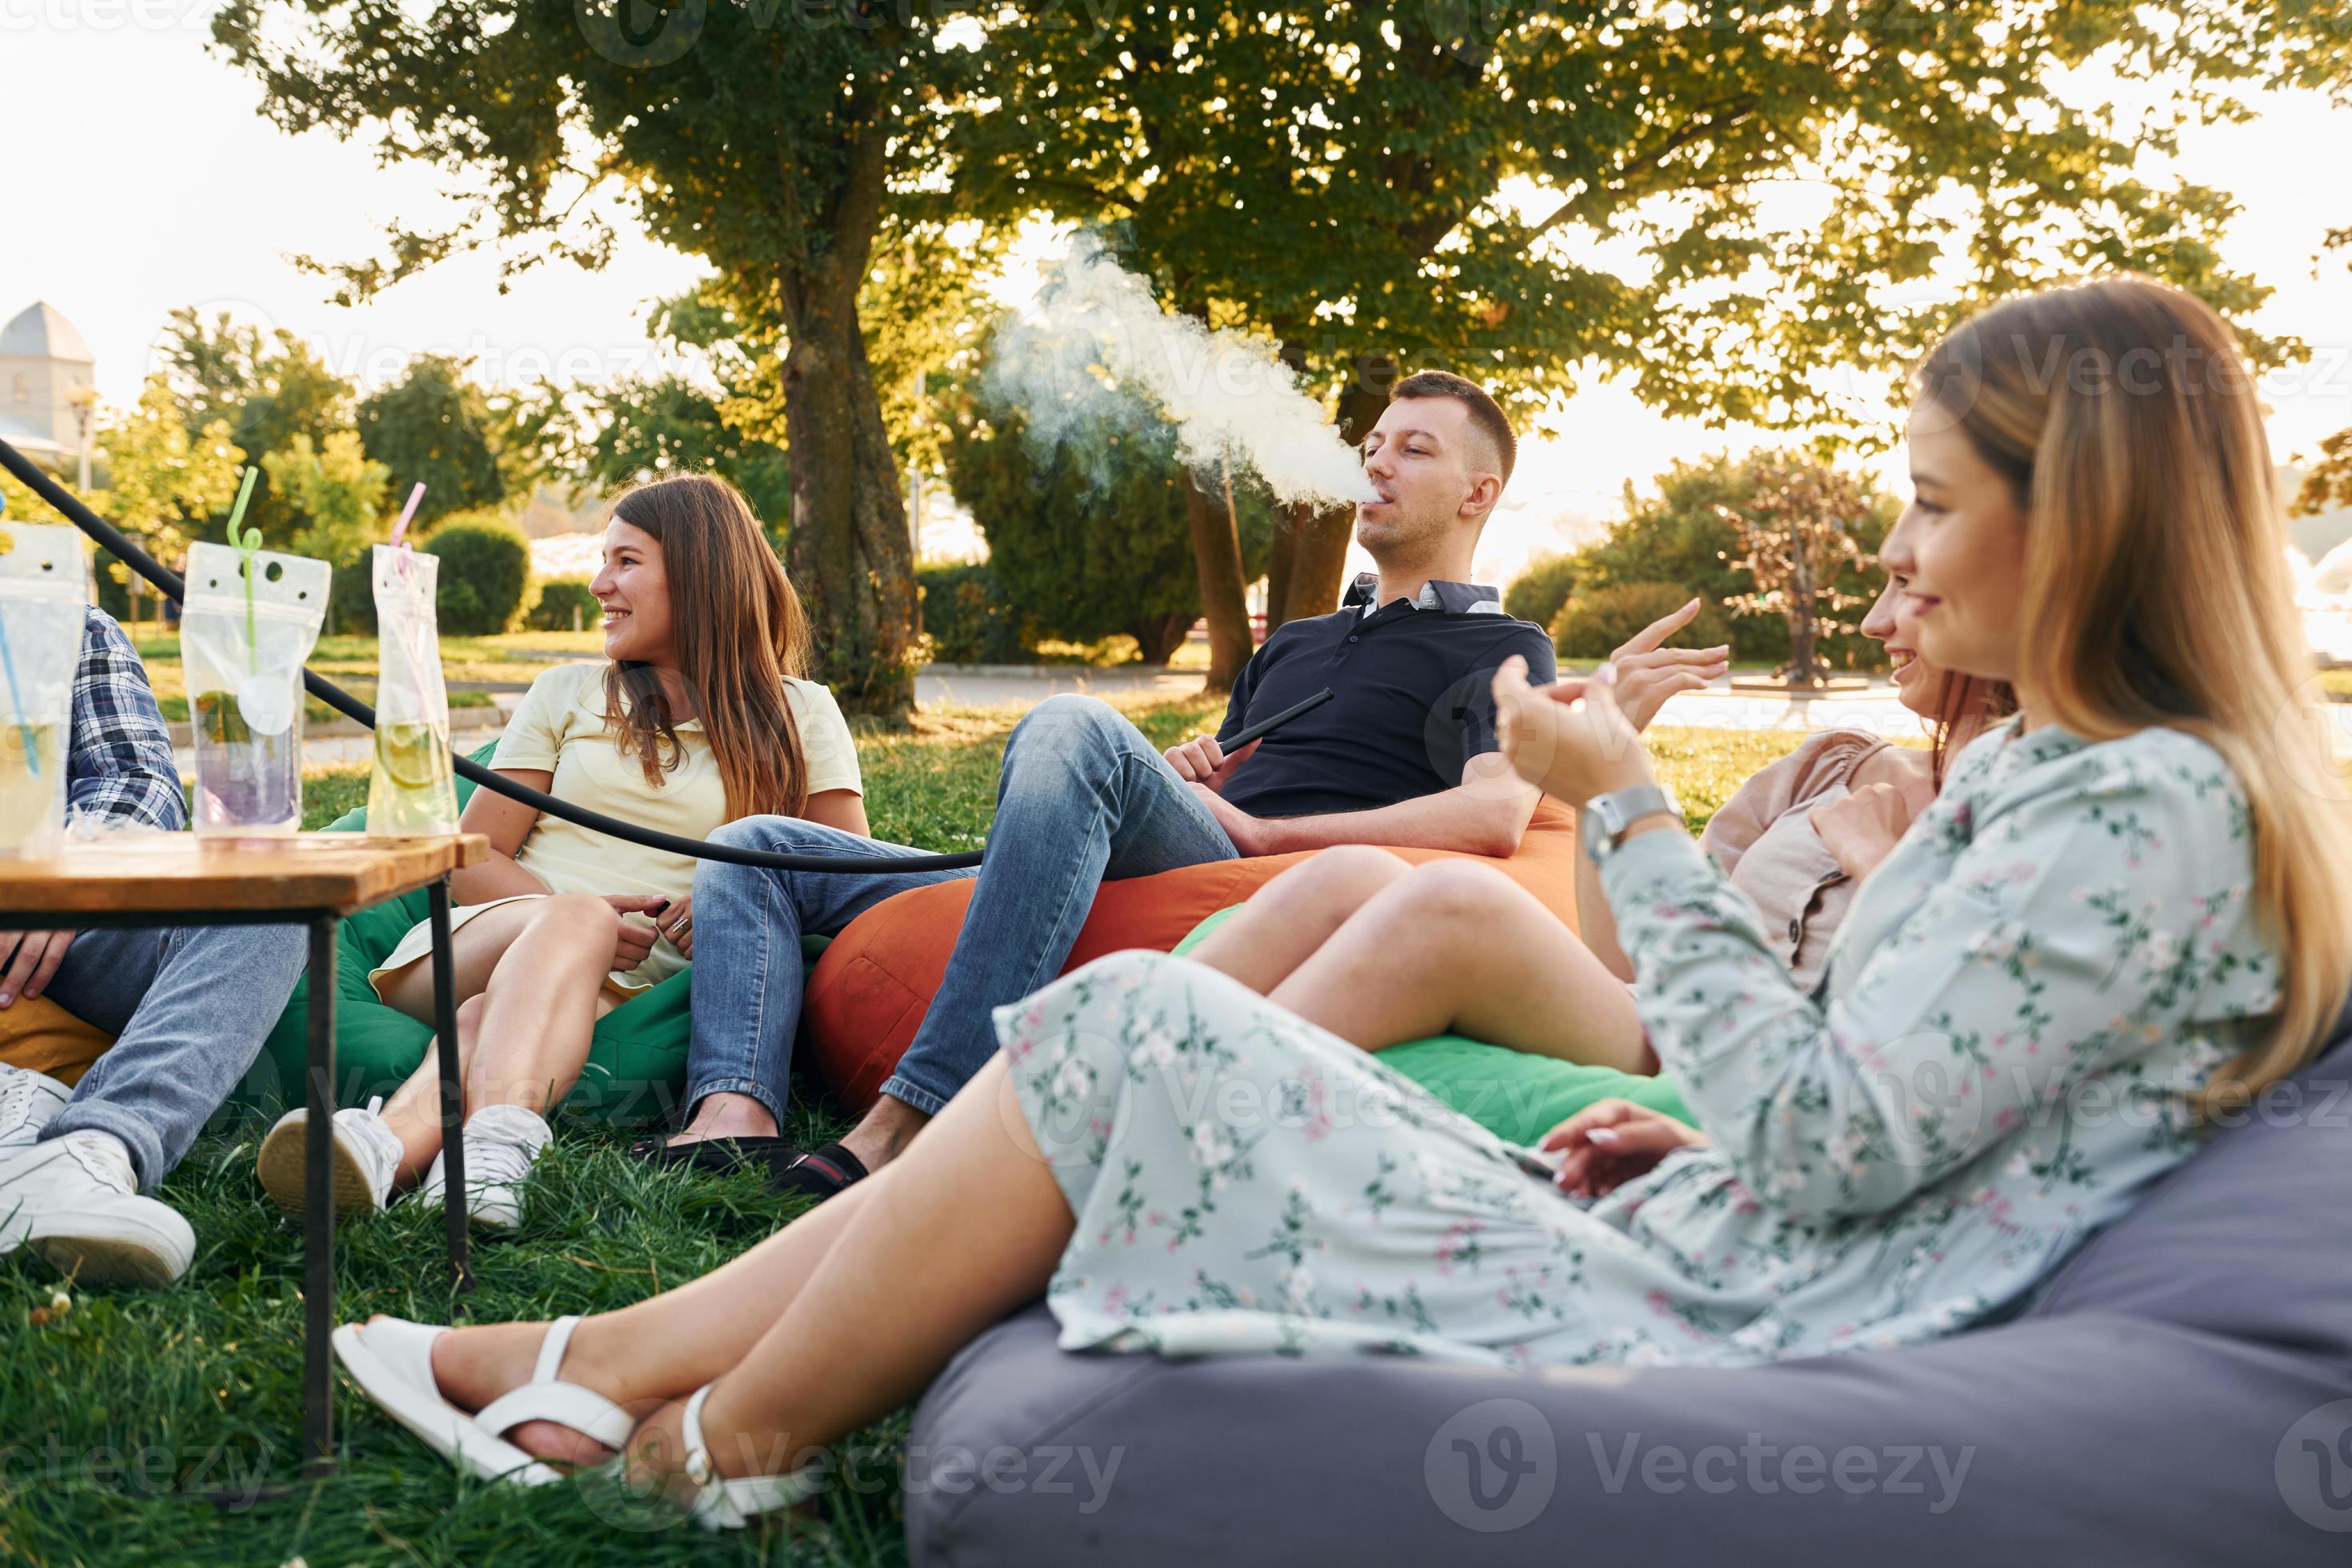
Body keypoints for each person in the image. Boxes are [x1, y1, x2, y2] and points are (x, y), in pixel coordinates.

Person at [330, 276, 2352, 1526]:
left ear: (2079, 518)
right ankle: (626, 1362)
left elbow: (1843, 1132)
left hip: (1745, 1308)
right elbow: (1906, 1098)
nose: (1900, 542)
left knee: (1133, 1024)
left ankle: (684, 1431)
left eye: (1930, 498)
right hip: (1722, 1218)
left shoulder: (2144, 805)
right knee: (1108, 990)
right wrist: (1704, 1131)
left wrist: (1633, 808)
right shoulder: (2086, 778)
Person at [664, 370, 1558, 1199]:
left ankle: (915, 1118)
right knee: (756, 847)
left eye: (1414, 449)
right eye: (1373, 445)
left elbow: (1494, 814)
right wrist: (1185, 771)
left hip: (1271, 875)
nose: (1377, 463)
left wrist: (1261, 834)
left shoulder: (1504, 646)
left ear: (1478, 493)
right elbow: (1237, 770)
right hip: (1182, 848)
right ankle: (731, 1118)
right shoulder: (1297, 640)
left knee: (1073, 722)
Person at [254, 474, 867, 1226]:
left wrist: (725, 905)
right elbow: (471, 854)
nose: (598, 583)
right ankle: (504, 1149)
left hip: (634, 990)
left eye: (626, 561)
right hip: (481, 939)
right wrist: (575, 917)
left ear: (702, 574)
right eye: (603, 560)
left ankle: (387, 1147)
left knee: (487, 1022)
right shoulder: (566, 692)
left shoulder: (802, 713)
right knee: (576, 918)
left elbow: (842, 877)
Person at [1178, 574, 2014, 1069]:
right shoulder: (1827, 766)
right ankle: (1125, 1056)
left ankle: (1168, 1112)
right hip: (1652, 1006)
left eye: (1906, 584)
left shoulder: (2032, 811)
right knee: (1349, 874)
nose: (1873, 621)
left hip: (1728, 1045)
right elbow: (1623, 960)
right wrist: (1610, 758)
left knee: (1452, 906)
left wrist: (1889, 876)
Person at [0, 603, 306, 1286]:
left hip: (57, 922)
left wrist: (61, 877)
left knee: (274, 892)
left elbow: (141, 785)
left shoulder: (69, 626)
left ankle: (92, 1149)